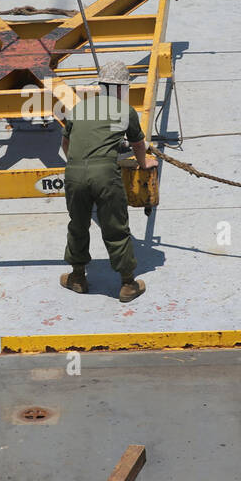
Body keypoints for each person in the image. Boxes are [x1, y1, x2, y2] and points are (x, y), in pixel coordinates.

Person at [58, 60, 157, 302]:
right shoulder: (126, 111)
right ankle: (127, 285)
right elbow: (137, 144)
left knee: (78, 225)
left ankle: (78, 278)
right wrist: (144, 164)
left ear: (101, 86)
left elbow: (66, 143)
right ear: (123, 88)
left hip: (74, 172)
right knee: (115, 228)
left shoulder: (79, 108)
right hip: (105, 174)